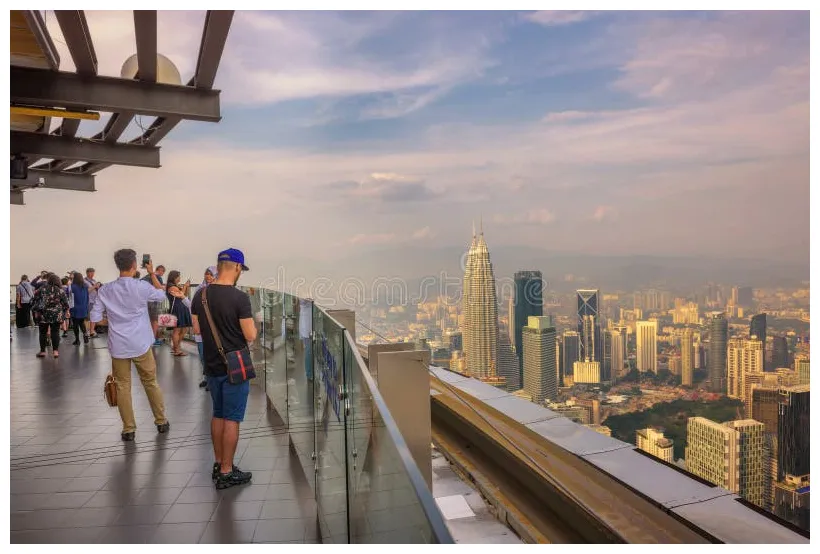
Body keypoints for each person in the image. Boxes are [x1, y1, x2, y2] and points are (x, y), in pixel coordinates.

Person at [191, 248, 256, 490]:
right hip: (235, 367)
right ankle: (227, 472)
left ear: (218, 266)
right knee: (232, 418)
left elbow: (196, 330)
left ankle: (218, 464)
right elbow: (250, 335)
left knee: (218, 413)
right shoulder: (240, 299)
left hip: (211, 365)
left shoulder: (201, 295)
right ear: (237, 268)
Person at [90, 250, 170, 441]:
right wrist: (152, 273)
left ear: (118, 265)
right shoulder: (141, 286)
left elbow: (94, 317)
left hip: (118, 345)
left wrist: (112, 321)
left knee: (122, 386)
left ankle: (129, 429)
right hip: (141, 343)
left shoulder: (105, 290)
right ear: (135, 265)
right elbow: (161, 295)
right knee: (150, 382)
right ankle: (160, 421)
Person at [32, 273, 70, 359]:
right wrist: (65, 311)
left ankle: (42, 351)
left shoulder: (42, 289)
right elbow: (66, 304)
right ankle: (55, 352)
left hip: (43, 314)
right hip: (57, 315)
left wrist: (35, 309)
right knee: (55, 332)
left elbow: (34, 299)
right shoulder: (60, 290)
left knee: (42, 333)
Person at [193, 266, 217, 389]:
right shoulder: (199, 289)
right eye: (206, 274)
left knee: (212, 357)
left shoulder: (219, 290)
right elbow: (192, 309)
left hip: (214, 331)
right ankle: (207, 378)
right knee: (203, 356)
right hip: (202, 331)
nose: (208, 277)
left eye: (211, 274)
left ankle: (211, 380)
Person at [165, 270, 191, 356]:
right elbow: (180, 294)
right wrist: (184, 287)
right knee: (177, 330)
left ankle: (176, 347)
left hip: (182, 307)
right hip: (177, 309)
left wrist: (186, 287)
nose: (179, 278)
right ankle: (176, 349)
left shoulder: (176, 286)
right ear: (174, 277)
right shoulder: (171, 286)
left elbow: (184, 295)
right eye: (178, 276)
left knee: (184, 329)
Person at [144, 265, 166, 346]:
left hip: (145, 301)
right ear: (159, 270)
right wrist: (163, 287)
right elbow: (159, 288)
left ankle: (148, 339)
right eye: (163, 272)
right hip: (153, 302)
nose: (162, 274)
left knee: (149, 321)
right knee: (155, 321)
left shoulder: (145, 277)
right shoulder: (158, 277)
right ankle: (153, 340)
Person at [70, 272, 90, 345]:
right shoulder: (85, 286)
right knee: (82, 322)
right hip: (83, 308)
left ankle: (77, 340)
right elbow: (87, 297)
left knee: (75, 324)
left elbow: (70, 298)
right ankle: (85, 335)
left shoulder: (72, 286)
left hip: (75, 308)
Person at [84, 267, 101, 339]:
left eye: (93, 272)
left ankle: (92, 331)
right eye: (91, 272)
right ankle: (86, 332)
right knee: (87, 318)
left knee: (93, 317)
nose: (93, 274)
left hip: (94, 301)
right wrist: (95, 286)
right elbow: (86, 291)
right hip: (88, 301)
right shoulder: (84, 281)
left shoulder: (94, 280)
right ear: (87, 273)